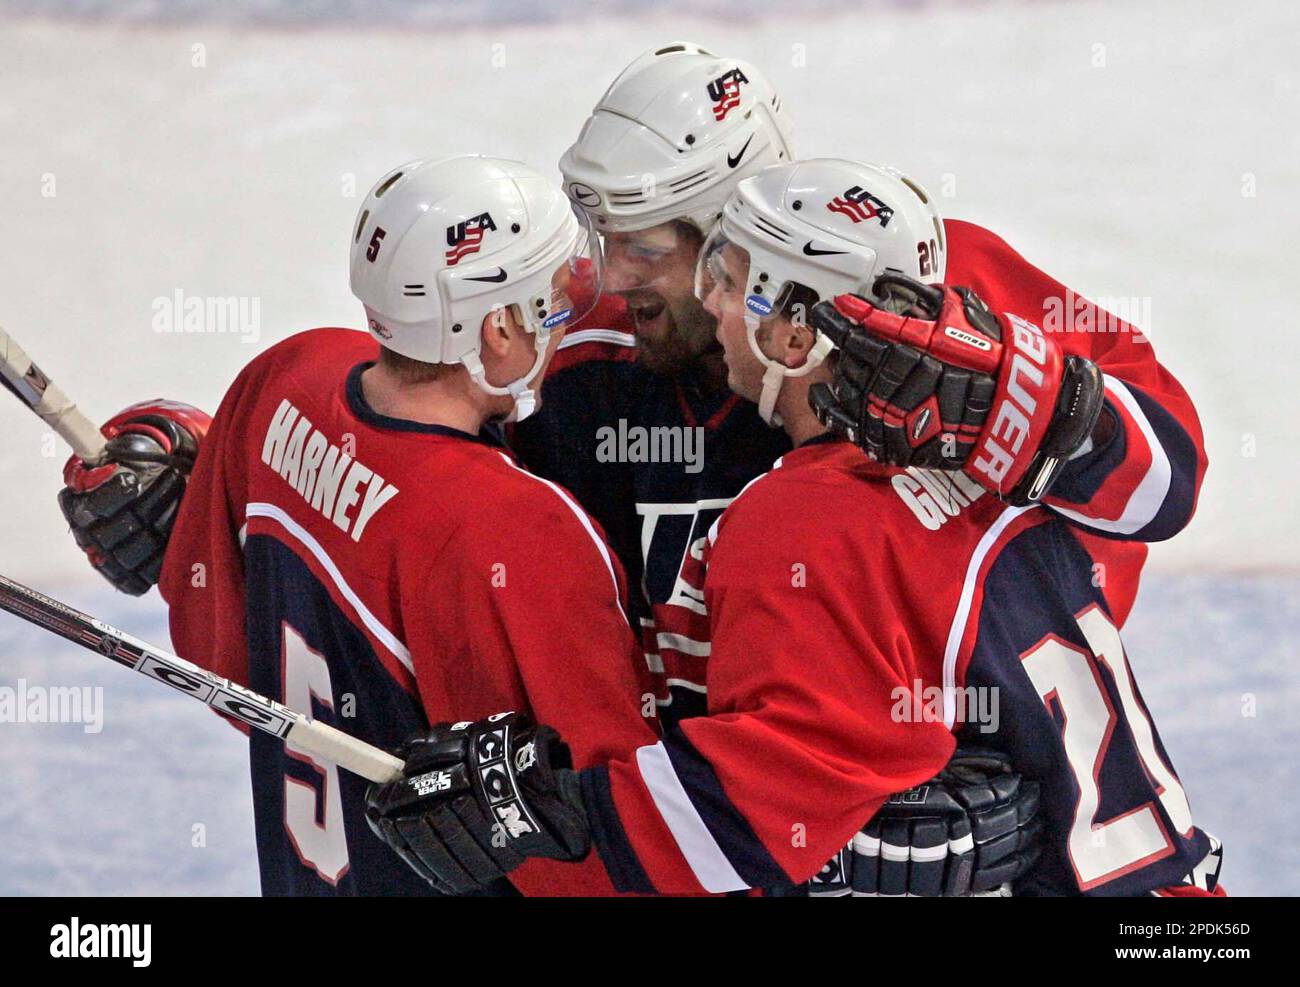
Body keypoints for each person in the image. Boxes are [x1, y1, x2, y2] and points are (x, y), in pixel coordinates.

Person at [57, 154, 1042, 897]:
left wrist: (170, 487)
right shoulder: (516, 535)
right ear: (491, 328)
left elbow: (218, 652)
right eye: (545, 302)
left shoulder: (286, 379)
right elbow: (606, 862)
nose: (573, 318)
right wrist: (821, 853)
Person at [366, 159, 1222, 897]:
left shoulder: (800, 524)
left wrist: (545, 808)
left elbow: (745, 811)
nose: (709, 302)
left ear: (799, 324)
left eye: (731, 281)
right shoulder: (1000, 462)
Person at [514, 42, 1207, 731]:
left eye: (646, 248)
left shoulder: (929, 299)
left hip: (921, 799)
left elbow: (1167, 485)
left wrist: (1018, 404)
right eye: (602, 238)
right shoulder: (584, 357)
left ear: (735, 233)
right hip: (721, 803)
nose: (616, 277)